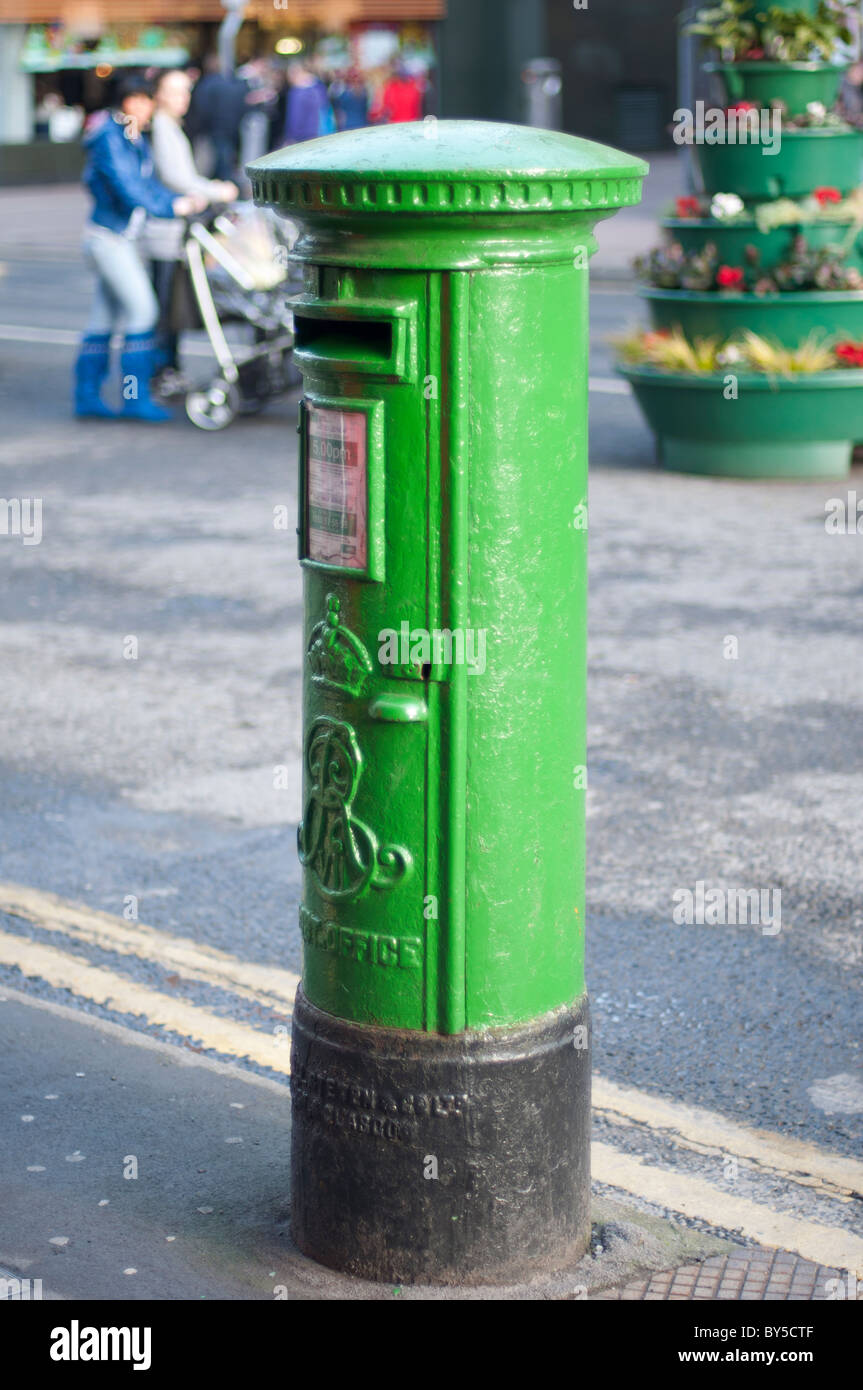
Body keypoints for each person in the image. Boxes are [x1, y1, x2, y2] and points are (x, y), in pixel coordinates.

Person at [73, 73, 204, 421]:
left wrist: (177, 200)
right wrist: (173, 207)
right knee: (143, 312)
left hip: (118, 238)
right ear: (131, 102)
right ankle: (133, 396)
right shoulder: (111, 137)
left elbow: (145, 184)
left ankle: (86, 396)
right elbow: (130, 187)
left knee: (103, 318)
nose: (150, 108)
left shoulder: (129, 136)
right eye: (146, 101)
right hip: (109, 239)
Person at [145, 67, 238, 388]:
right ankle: (161, 371)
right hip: (164, 234)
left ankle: (166, 369)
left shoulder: (170, 126)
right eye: (175, 91)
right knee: (166, 306)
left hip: (173, 233)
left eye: (186, 91)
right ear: (158, 93)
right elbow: (176, 177)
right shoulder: (161, 127)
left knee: (172, 305)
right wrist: (215, 190)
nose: (183, 98)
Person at [185, 54, 248, 180]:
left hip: (213, 130)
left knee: (217, 163)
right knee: (226, 161)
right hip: (232, 129)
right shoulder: (236, 84)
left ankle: (224, 188)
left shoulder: (206, 84)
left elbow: (201, 109)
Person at [283, 61, 332, 144]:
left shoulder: (297, 92)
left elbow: (295, 117)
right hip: (318, 133)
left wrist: (290, 137)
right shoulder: (319, 88)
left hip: (301, 136)